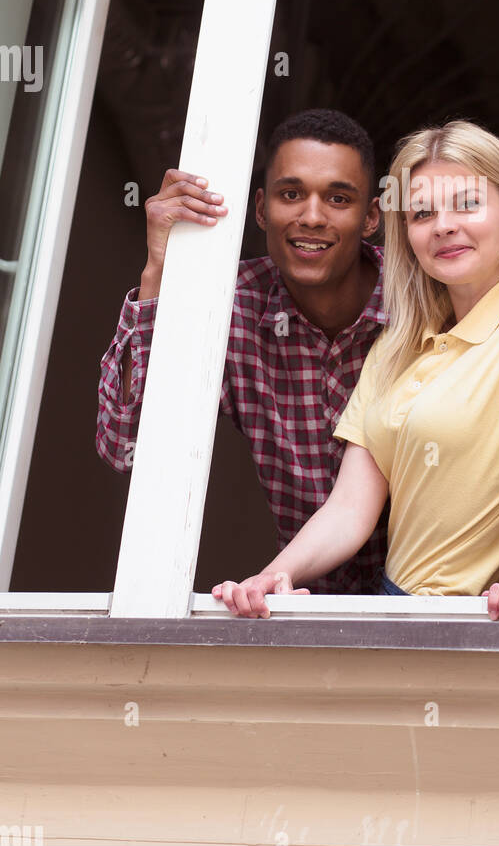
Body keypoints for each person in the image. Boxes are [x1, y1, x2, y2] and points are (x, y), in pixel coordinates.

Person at [212, 119, 499, 621]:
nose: (443, 226)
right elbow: (350, 508)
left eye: (466, 203)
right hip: (391, 611)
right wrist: (274, 575)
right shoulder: (397, 344)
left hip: (481, 623)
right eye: (422, 212)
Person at [95, 109, 391, 594]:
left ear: (371, 217)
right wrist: (159, 275)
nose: (311, 217)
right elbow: (123, 448)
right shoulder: (229, 308)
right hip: (299, 601)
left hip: (429, 602)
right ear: (260, 208)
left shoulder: (421, 307)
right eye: (290, 194)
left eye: (338, 198)